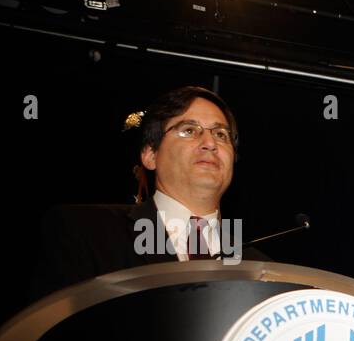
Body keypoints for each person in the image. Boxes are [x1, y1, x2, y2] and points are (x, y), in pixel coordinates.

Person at [35, 85, 248, 297]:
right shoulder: (85, 232)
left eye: (221, 135)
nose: (210, 143)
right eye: (189, 130)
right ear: (150, 155)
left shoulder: (258, 266)